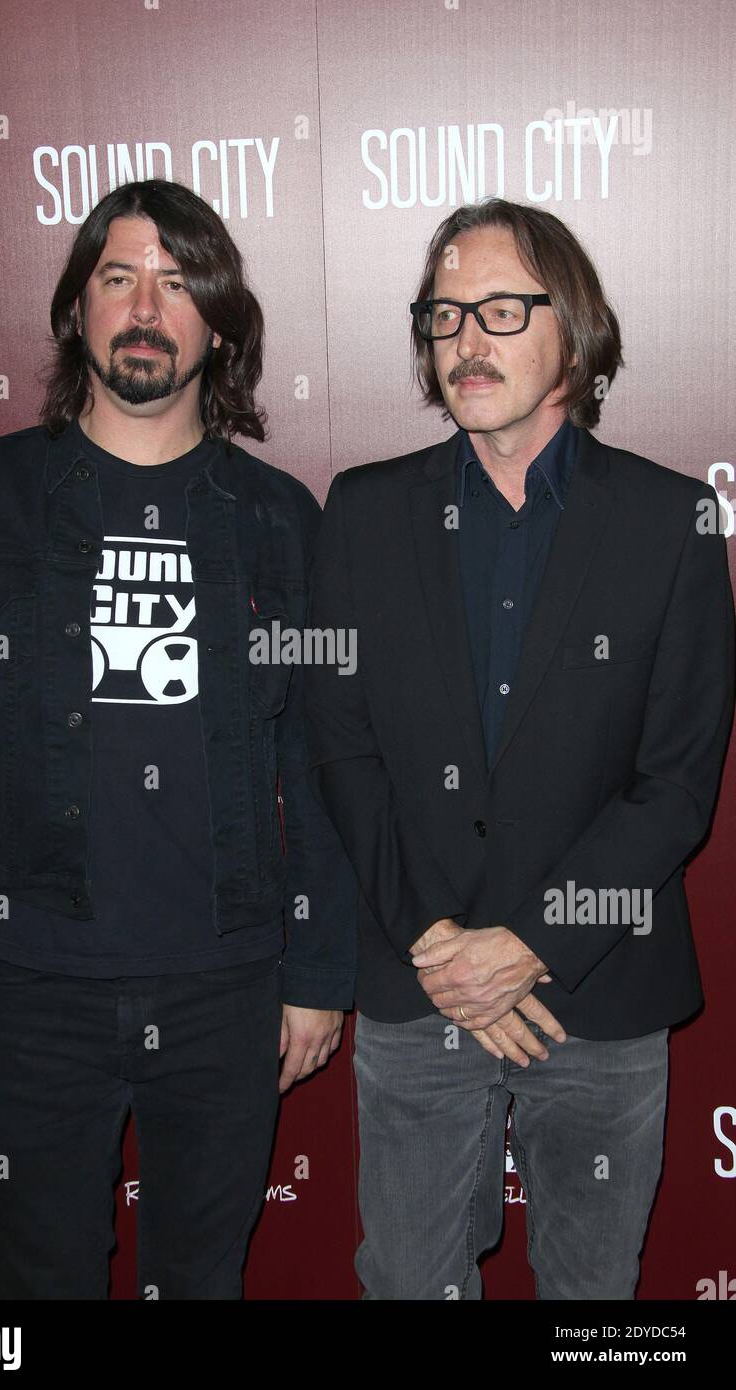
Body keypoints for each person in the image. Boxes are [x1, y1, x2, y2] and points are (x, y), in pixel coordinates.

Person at [0, 178, 356, 1300]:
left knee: (201, 1281)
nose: (147, 305)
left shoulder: (282, 519)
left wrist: (320, 969)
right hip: (35, 982)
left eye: (179, 280)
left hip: (226, 984)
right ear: (77, 310)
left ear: (220, 325)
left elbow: (321, 769)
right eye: (118, 277)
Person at [303, 197, 734, 1300]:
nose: (465, 340)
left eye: (500, 309)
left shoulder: (669, 521)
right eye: (442, 316)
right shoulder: (362, 512)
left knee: (592, 1298)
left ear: (573, 327)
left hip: (594, 990)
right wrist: (440, 945)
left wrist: (529, 943)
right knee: (405, 1282)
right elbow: (342, 752)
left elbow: (674, 787)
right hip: (420, 983)